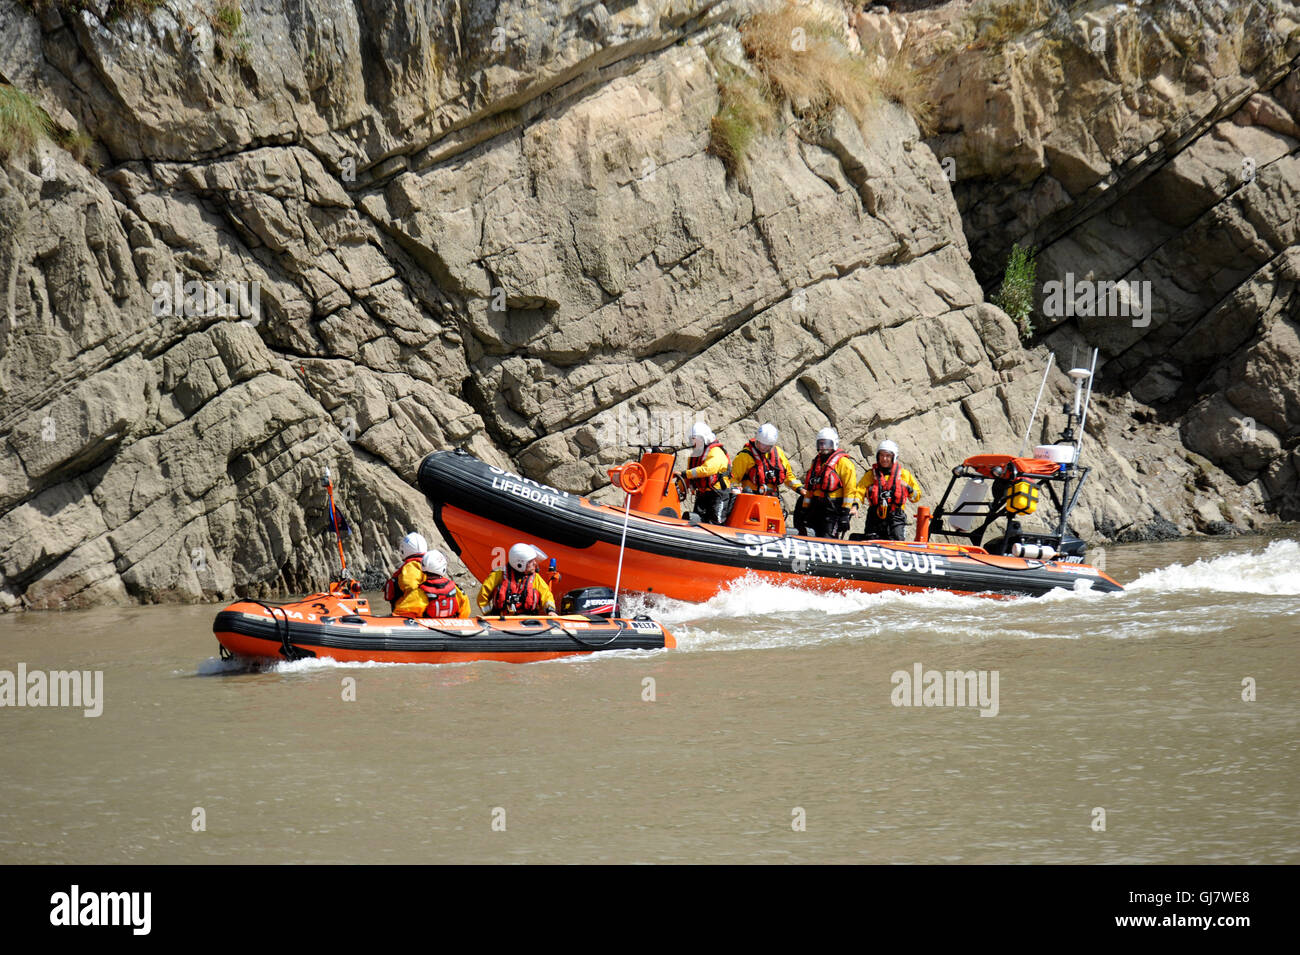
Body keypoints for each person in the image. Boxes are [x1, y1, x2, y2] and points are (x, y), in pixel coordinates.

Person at [852, 439, 922, 541]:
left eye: (888, 456)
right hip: (875, 515)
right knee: (870, 540)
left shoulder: (904, 475)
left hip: (896, 517)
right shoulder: (871, 475)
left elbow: (916, 497)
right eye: (881, 455)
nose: (884, 459)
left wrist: (908, 487)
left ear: (894, 457)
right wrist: (855, 506)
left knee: (897, 542)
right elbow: (859, 491)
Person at [794, 427, 857, 538]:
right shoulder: (816, 463)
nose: (823, 447)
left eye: (826, 444)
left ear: (834, 444)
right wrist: (804, 508)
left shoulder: (844, 463)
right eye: (820, 444)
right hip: (816, 506)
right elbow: (810, 488)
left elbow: (850, 490)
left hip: (833, 509)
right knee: (808, 534)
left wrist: (845, 514)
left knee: (827, 538)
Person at [477, 542, 557, 615]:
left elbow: (547, 596)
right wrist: (489, 615)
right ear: (520, 564)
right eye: (530, 562)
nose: (535, 563)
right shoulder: (498, 575)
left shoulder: (536, 578)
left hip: (529, 622)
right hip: (501, 621)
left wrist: (551, 610)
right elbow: (482, 597)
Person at [730, 423, 804, 497]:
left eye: (767, 446)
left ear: (772, 445)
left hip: (772, 498)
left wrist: (800, 488)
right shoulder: (744, 456)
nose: (763, 448)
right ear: (757, 440)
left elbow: (789, 476)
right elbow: (733, 478)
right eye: (761, 444)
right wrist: (735, 488)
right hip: (751, 497)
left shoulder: (778, 453)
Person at [681, 421, 732, 524]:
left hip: (717, 493)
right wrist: (678, 488)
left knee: (715, 521)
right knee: (697, 519)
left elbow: (708, 469)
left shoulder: (716, 451)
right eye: (692, 440)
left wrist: (685, 474)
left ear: (704, 438)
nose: (693, 443)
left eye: (695, 440)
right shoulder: (694, 456)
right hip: (702, 493)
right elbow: (688, 476)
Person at [418, 549, 471, 619]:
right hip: (452, 627)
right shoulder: (455, 589)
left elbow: (406, 611)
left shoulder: (420, 592)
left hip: (428, 627)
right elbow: (465, 611)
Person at [383, 532, 427, 616]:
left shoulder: (410, 566)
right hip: (425, 611)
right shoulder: (429, 564)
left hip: (409, 613)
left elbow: (411, 588)